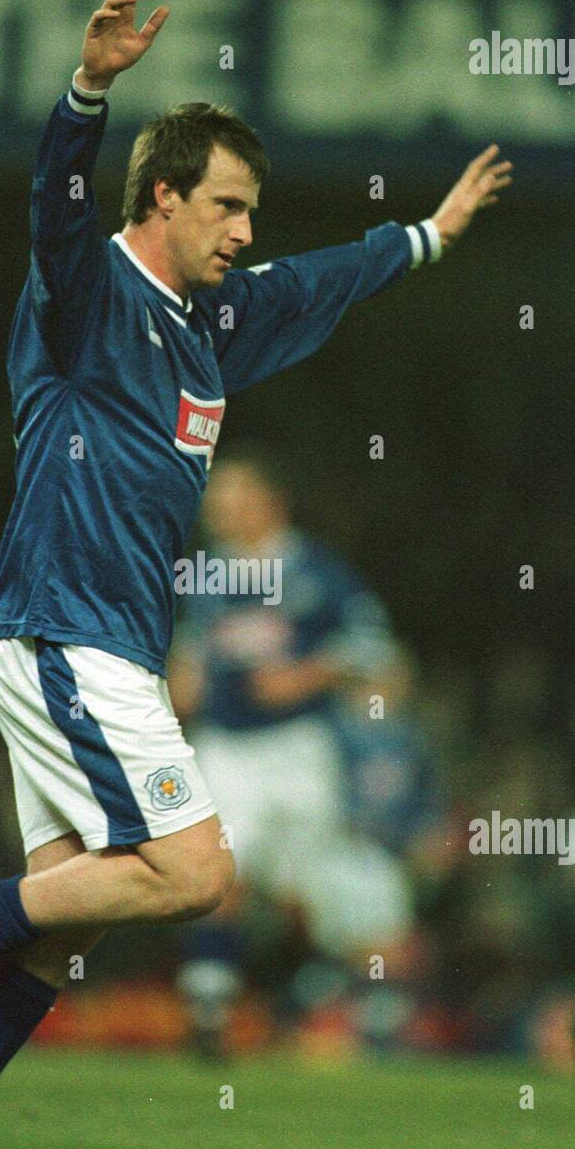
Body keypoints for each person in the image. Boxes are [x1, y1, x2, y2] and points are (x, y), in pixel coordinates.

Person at [0, 0, 513, 1149]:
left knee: (63, 928)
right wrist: (85, 93)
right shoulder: (87, 290)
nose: (245, 231)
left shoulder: (210, 324)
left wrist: (424, 235)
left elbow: (321, 277)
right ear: (160, 197)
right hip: (70, 629)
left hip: (89, 640)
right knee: (197, 873)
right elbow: (52, 205)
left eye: (250, 211)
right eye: (225, 207)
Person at [168, 450, 411, 1052]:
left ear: (269, 499)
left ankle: (313, 1004)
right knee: (218, 869)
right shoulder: (205, 574)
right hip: (227, 747)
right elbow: (191, 659)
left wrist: (310, 673)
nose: (219, 507)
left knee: (310, 886)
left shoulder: (318, 570)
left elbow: (378, 651)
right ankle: (210, 1008)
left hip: (302, 749)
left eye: (233, 493)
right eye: (215, 495)